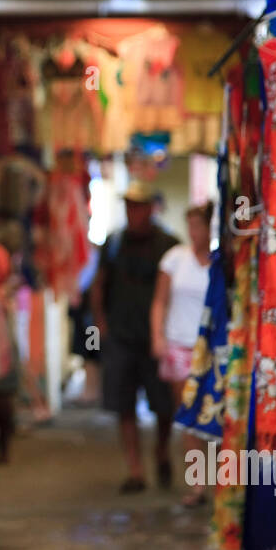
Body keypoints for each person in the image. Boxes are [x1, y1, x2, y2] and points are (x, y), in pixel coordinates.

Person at [91, 178, 178, 493]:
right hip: (122, 337)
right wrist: (101, 324)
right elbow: (98, 285)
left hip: (157, 339)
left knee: (164, 405)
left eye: (139, 206)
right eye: (129, 206)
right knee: (123, 405)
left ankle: (162, 451)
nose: (133, 212)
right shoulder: (113, 243)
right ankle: (136, 469)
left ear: (151, 208)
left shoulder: (168, 245)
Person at [150, 201, 214, 505]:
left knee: (211, 412)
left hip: (209, 347)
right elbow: (159, 300)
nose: (193, 232)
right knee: (188, 415)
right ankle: (197, 484)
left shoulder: (220, 262)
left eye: (198, 225)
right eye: (189, 226)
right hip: (179, 343)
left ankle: (218, 479)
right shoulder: (174, 259)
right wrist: (157, 336)